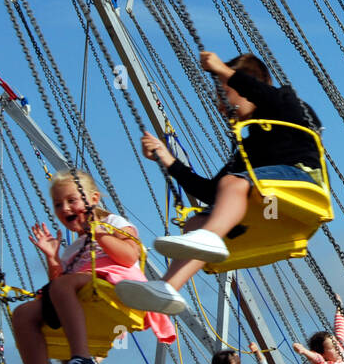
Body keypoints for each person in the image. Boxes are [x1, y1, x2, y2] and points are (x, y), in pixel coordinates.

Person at [121, 51, 323, 316]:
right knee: (196, 222)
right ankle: (168, 287)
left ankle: (210, 237)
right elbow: (211, 192)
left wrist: (223, 70)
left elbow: (267, 97)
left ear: (246, 86)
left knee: (234, 184)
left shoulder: (286, 102)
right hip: (264, 197)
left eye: (223, 95)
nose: (219, 105)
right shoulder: (248, 146)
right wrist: (167, 160)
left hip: (300, 178)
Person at [8, 170, 155, 364]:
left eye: (72, 200)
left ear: (94, 198)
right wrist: (53, 257)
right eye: (58, 204)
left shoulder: (114, 223)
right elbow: (57, 291)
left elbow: (130, 256)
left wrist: (99, 233)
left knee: (65, 285)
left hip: (115, 285)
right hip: (85, 293)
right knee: (22, 313)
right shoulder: (73, 249)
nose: (65, 208)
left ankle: (82, 356)